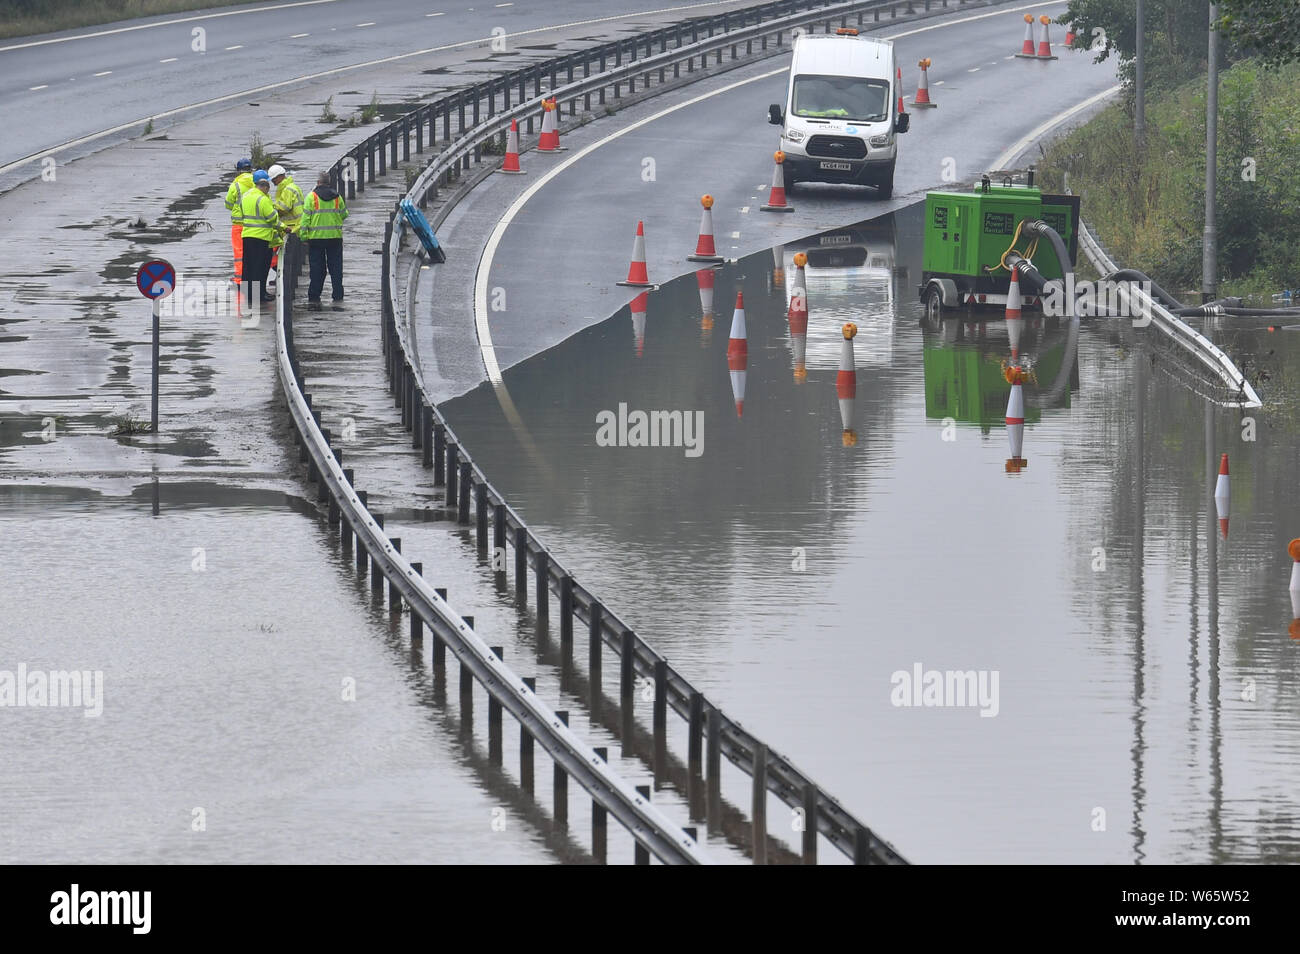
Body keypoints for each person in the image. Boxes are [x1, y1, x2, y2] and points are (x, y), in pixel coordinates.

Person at [300, 171, 348, 312]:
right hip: (335, 238)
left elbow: (305, 220)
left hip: (316, 239)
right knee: (336, 268)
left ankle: (314, 295)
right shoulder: (337, 197)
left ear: (318, 182)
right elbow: (344, 214)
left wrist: (303, 237)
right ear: (329, 182)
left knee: (317, 269)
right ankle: (338, 294)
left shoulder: (311, 197)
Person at [238, 170, 281, 306]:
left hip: (247, 235)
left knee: (248, 266)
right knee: (260, 267)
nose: (268, 189)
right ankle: (260, 295)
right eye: (267, 186)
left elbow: (240, 213)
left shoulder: (245, 196)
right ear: (263, 185)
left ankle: (249, 294)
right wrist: (284, 227)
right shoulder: (262, 199)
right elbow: (272, 217)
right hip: (262, 237)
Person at [267, 163, 303, 281]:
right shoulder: (291, 186)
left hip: (291, 227)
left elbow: (284, 208)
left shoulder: (287, 189)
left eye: (273, 179)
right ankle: (284, 279)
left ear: (279, 177)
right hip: (295, 226)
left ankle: (285, 280)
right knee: (289, 256)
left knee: (286, 257)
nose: (273, 182)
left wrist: (270, 207)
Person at [223, 158, 255, 284]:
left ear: (238, 171)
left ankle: (240, 277)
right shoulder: (256, 182)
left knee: (239, 251)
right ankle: (252, 276)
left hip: (238, 224)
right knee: (253, 251)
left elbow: (228, 204)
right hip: (254, 224)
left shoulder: (235, 185)